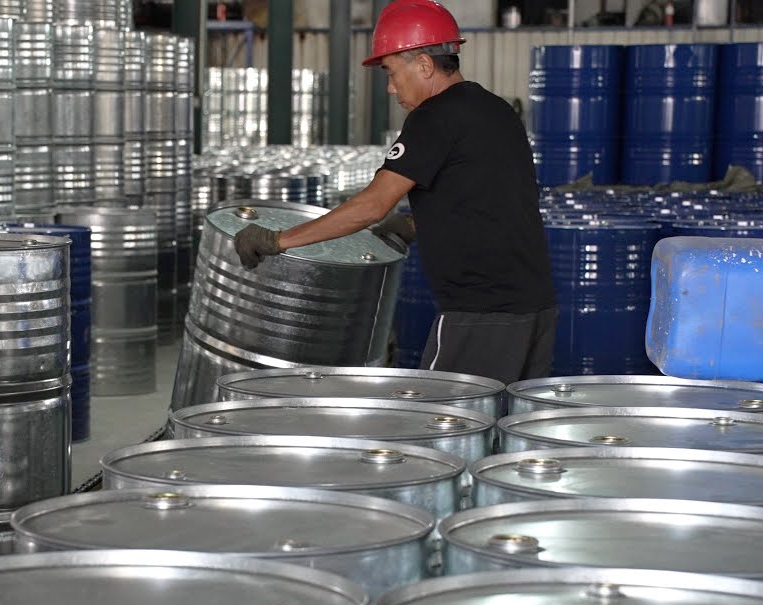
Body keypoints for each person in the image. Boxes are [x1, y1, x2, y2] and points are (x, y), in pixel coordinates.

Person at [233, 0, 557, 385]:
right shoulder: (496, 109)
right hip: (535, 308)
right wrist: (417, 223)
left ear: (423, 64)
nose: (389, 87)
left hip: (481, 313)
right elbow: (492, 197)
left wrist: (279, 240)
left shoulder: (433, 117)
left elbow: (371, 205)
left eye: (390, 72)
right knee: (506, 427)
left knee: (444, 429)